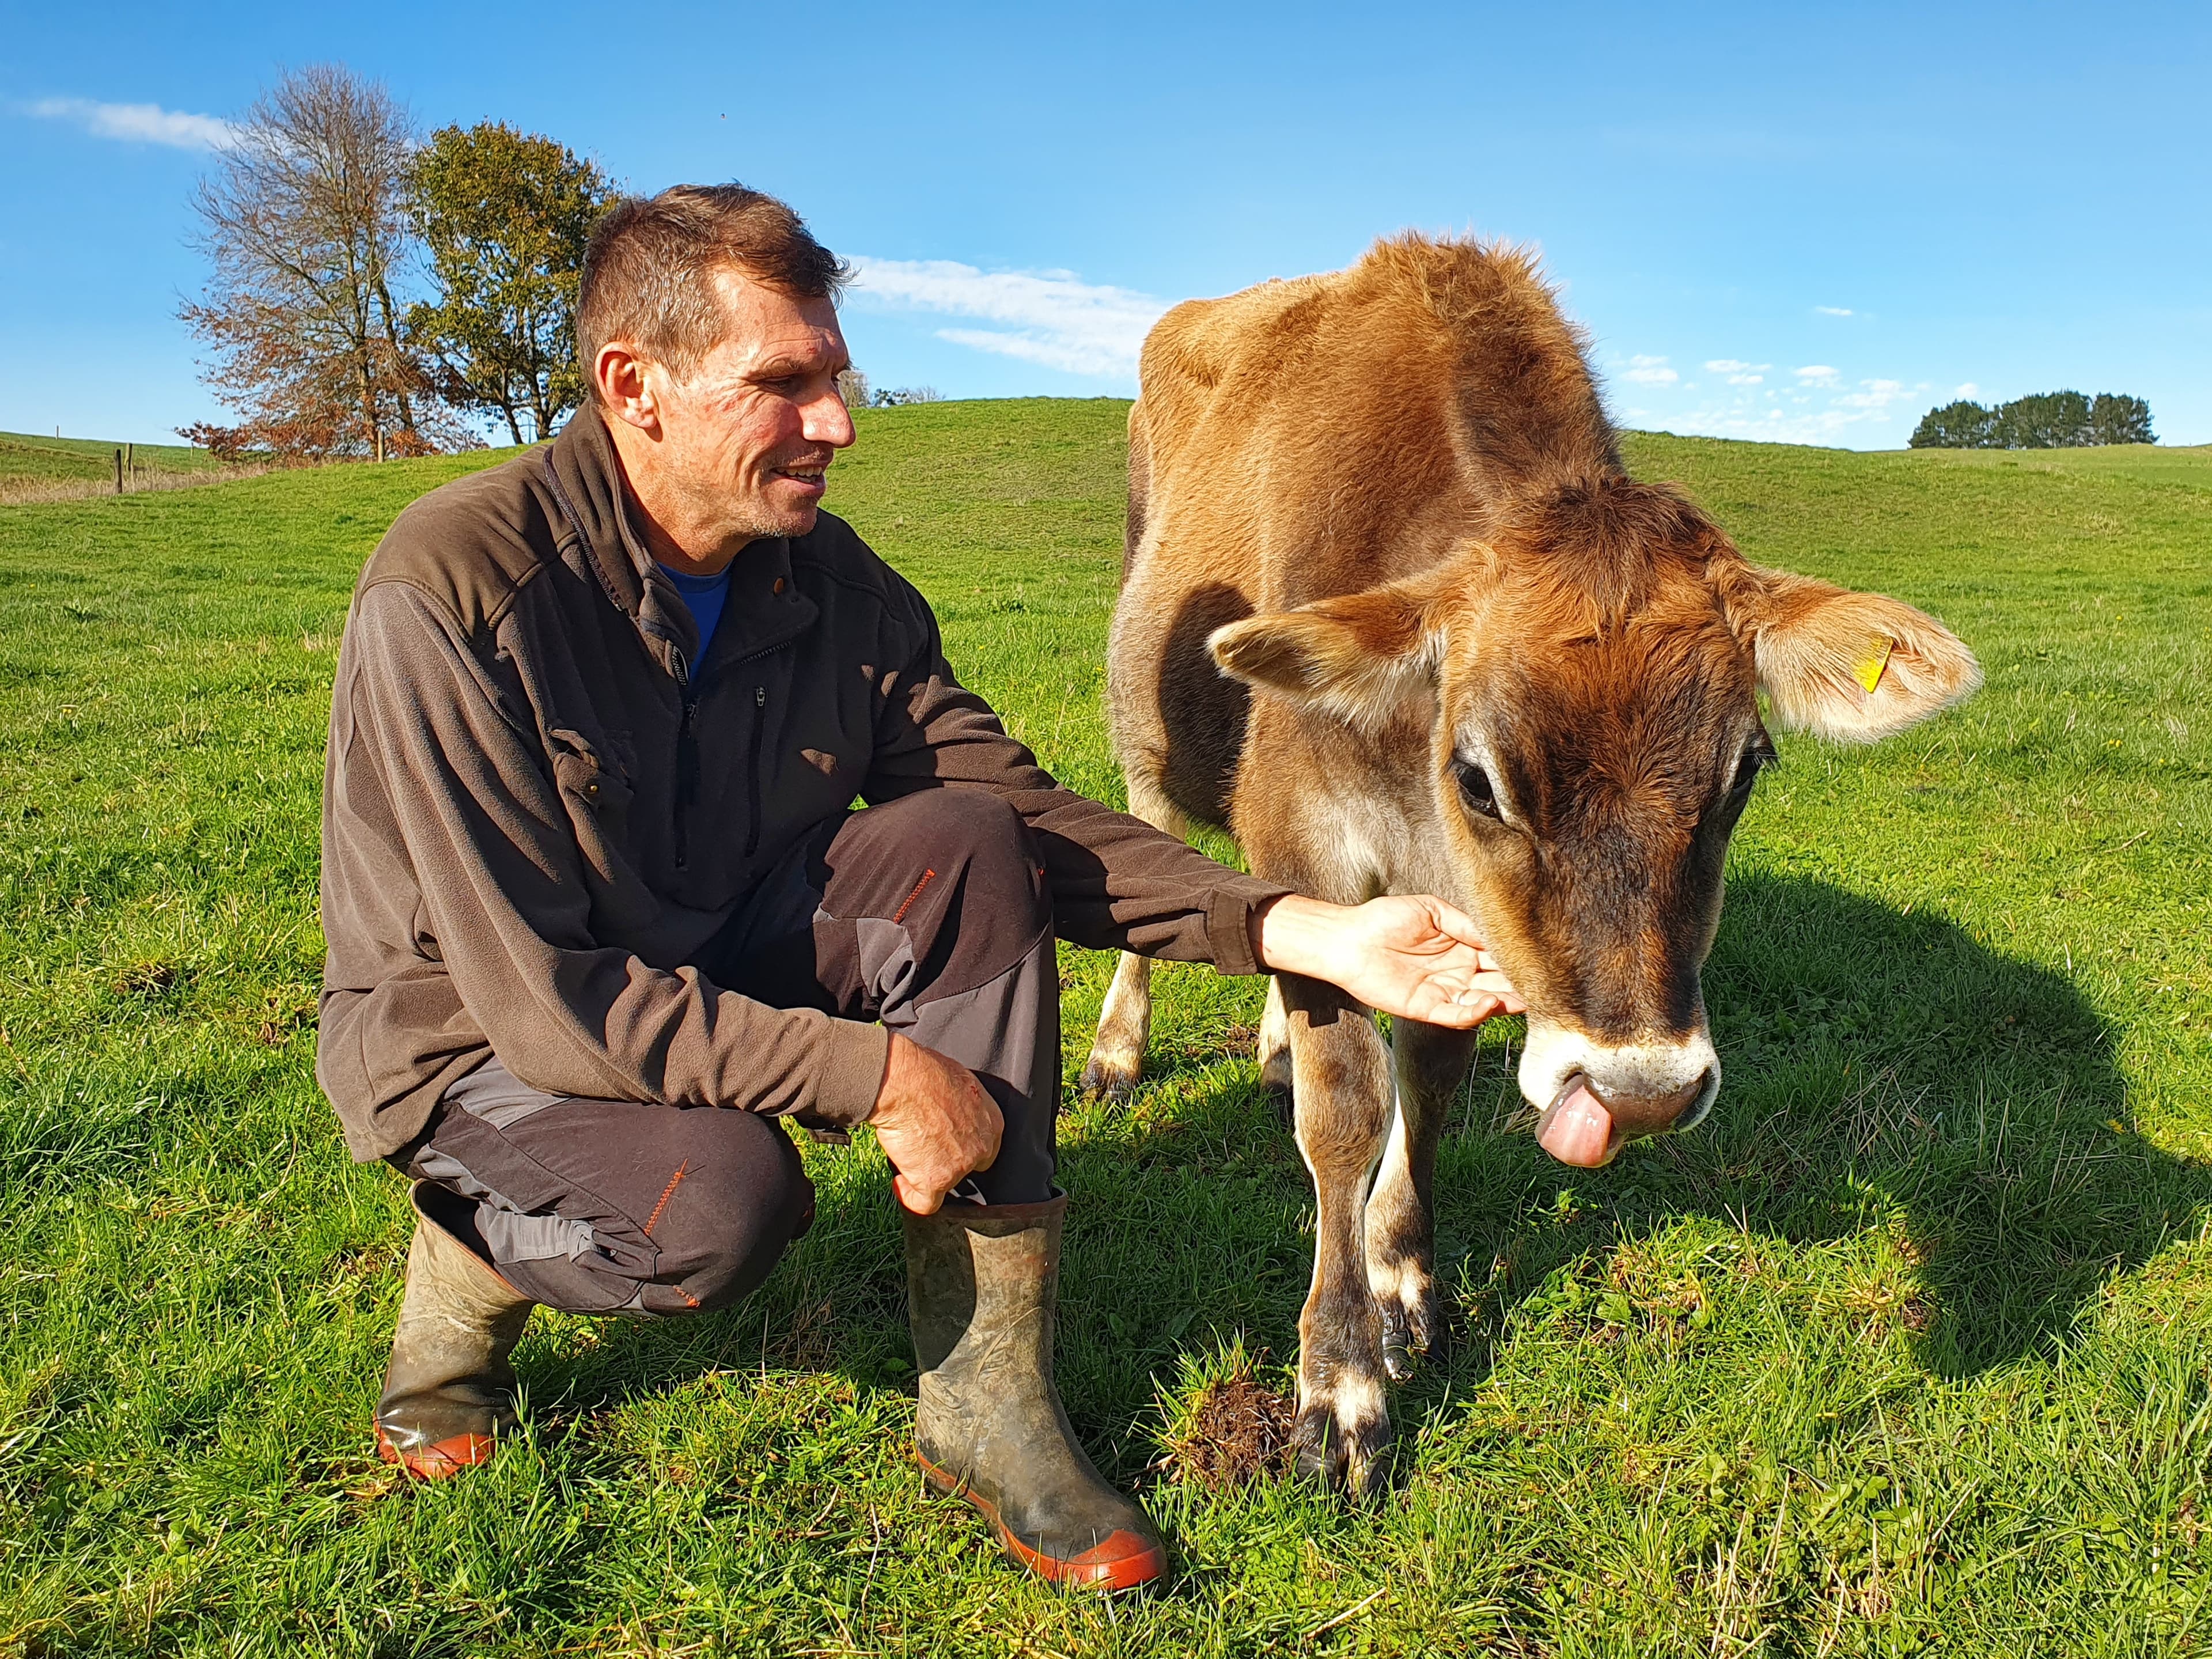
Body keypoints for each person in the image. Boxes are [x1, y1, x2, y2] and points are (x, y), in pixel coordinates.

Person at [317, 184, 1522, 1592]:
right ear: (631, 387)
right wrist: (880, 1074)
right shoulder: (456, 593)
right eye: (784, 382)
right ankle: (459, 1295)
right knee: (714, 1209)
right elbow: (549, 998)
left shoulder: (826, 583)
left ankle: (983, 1407)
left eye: (837, 375)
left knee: (963, 839)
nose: (834, 422)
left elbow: (1021, 813)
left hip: (707, 954)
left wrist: (1301, 928)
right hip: (486, 1037)